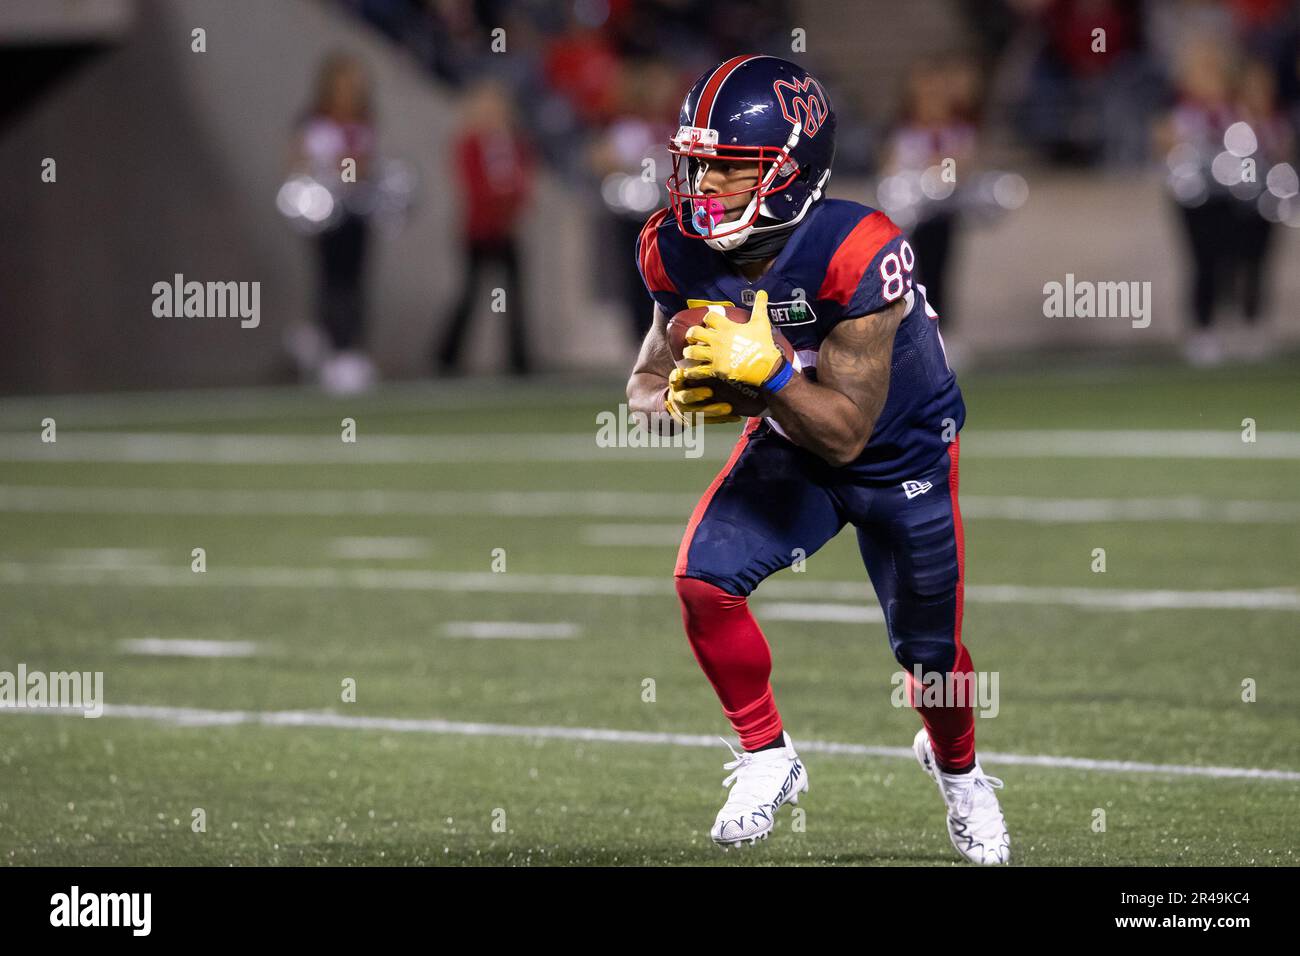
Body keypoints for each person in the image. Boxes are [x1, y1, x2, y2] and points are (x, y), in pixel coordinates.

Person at [624, 55, 1009, 863]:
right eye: (695, 165)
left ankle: (962, 772)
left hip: (899, 451)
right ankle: (768, 754)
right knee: (702, 581)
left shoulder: (856, 249)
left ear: (791, 173)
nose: (702, 188)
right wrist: (675, 402)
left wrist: (761, 374)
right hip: (791, 437)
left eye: (728, 170)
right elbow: (647, 381)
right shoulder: (673, 247)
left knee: (929, 657)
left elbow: (846, 434)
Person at [433, 80, 536, 376]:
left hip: (508, 230)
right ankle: (447, 357)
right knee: (469, 292)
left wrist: (513, 209)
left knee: (515, 294)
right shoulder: (469, 144)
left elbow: (523, 181)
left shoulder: (515, 142)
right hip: (479, 230)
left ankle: (519, 360)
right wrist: (499, 204)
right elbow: (473, 186)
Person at [291, 53, 379, 393]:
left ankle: (348, 349)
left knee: (355, 282)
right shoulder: (314, 122)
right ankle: (329, 349)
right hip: (324, 211)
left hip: (357, 210)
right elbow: (299, 164)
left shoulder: (364, 121)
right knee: (332, 282)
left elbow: (365, 167)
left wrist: (356, 169)